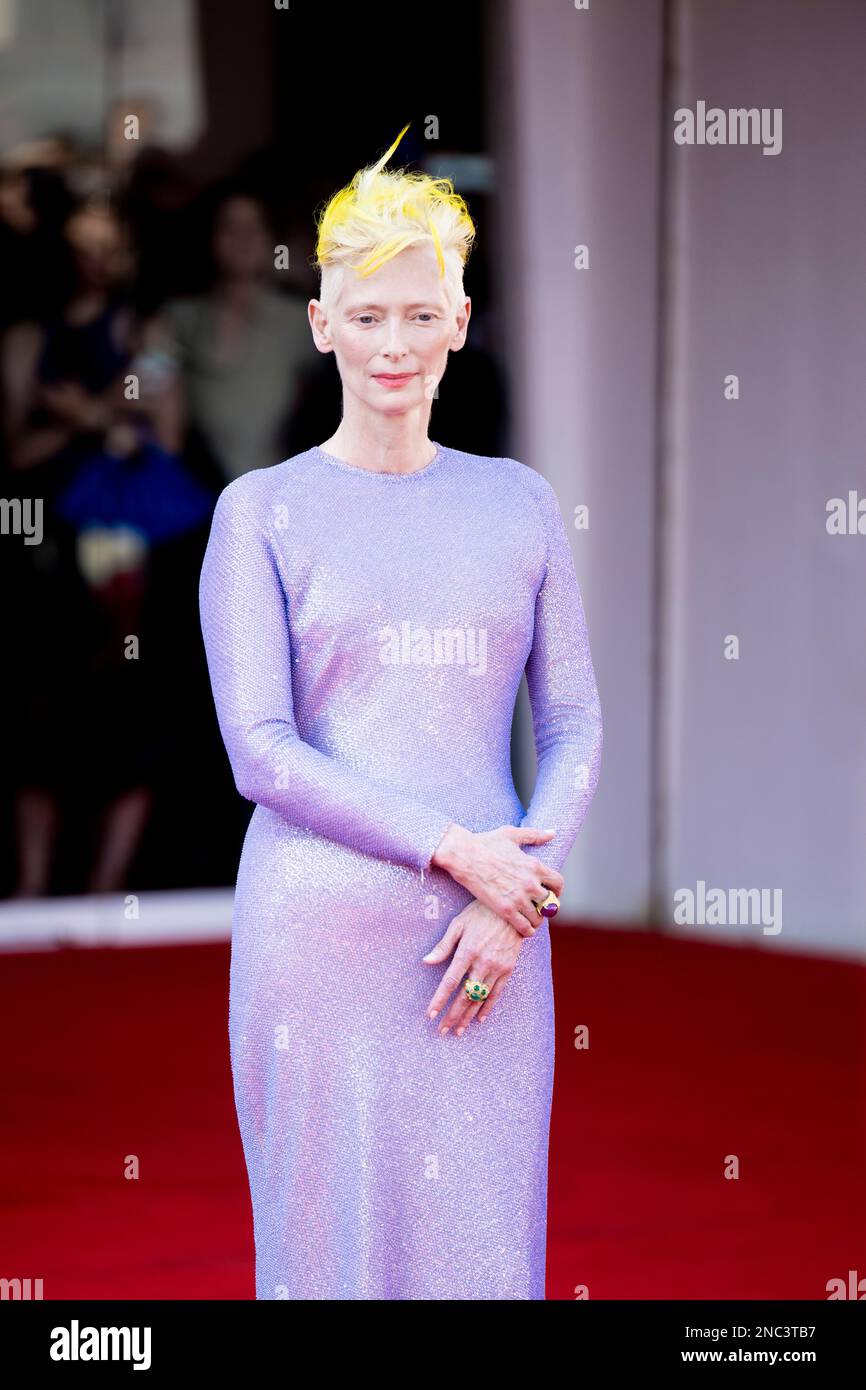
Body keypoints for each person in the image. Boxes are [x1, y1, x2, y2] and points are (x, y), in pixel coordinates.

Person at [198, 124, 603, 1300]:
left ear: (460, 322)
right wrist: (459, 851)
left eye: (420, 314)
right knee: (326, 1258)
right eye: (365, 315)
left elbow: (571, 723)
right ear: (320, 325)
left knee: (483, 1250)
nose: (394, 343)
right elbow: (260, 753)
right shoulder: (259, 513)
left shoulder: (517, 504)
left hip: (489, 944)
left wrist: (514, 899)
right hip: (315, 944)